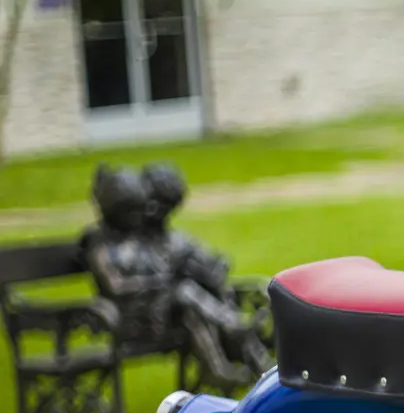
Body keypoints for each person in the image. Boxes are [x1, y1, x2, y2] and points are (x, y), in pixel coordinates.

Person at [80, 163, 272, 390]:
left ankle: (258, 370)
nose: (136, 217)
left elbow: (177, 260)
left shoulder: (138, 241)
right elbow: (116, 285)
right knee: (183, 292)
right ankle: (231, 329)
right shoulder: (101, 244)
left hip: (155, 314)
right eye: (130, 212)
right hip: (128, 322)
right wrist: (160, 282)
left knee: (199, 301)